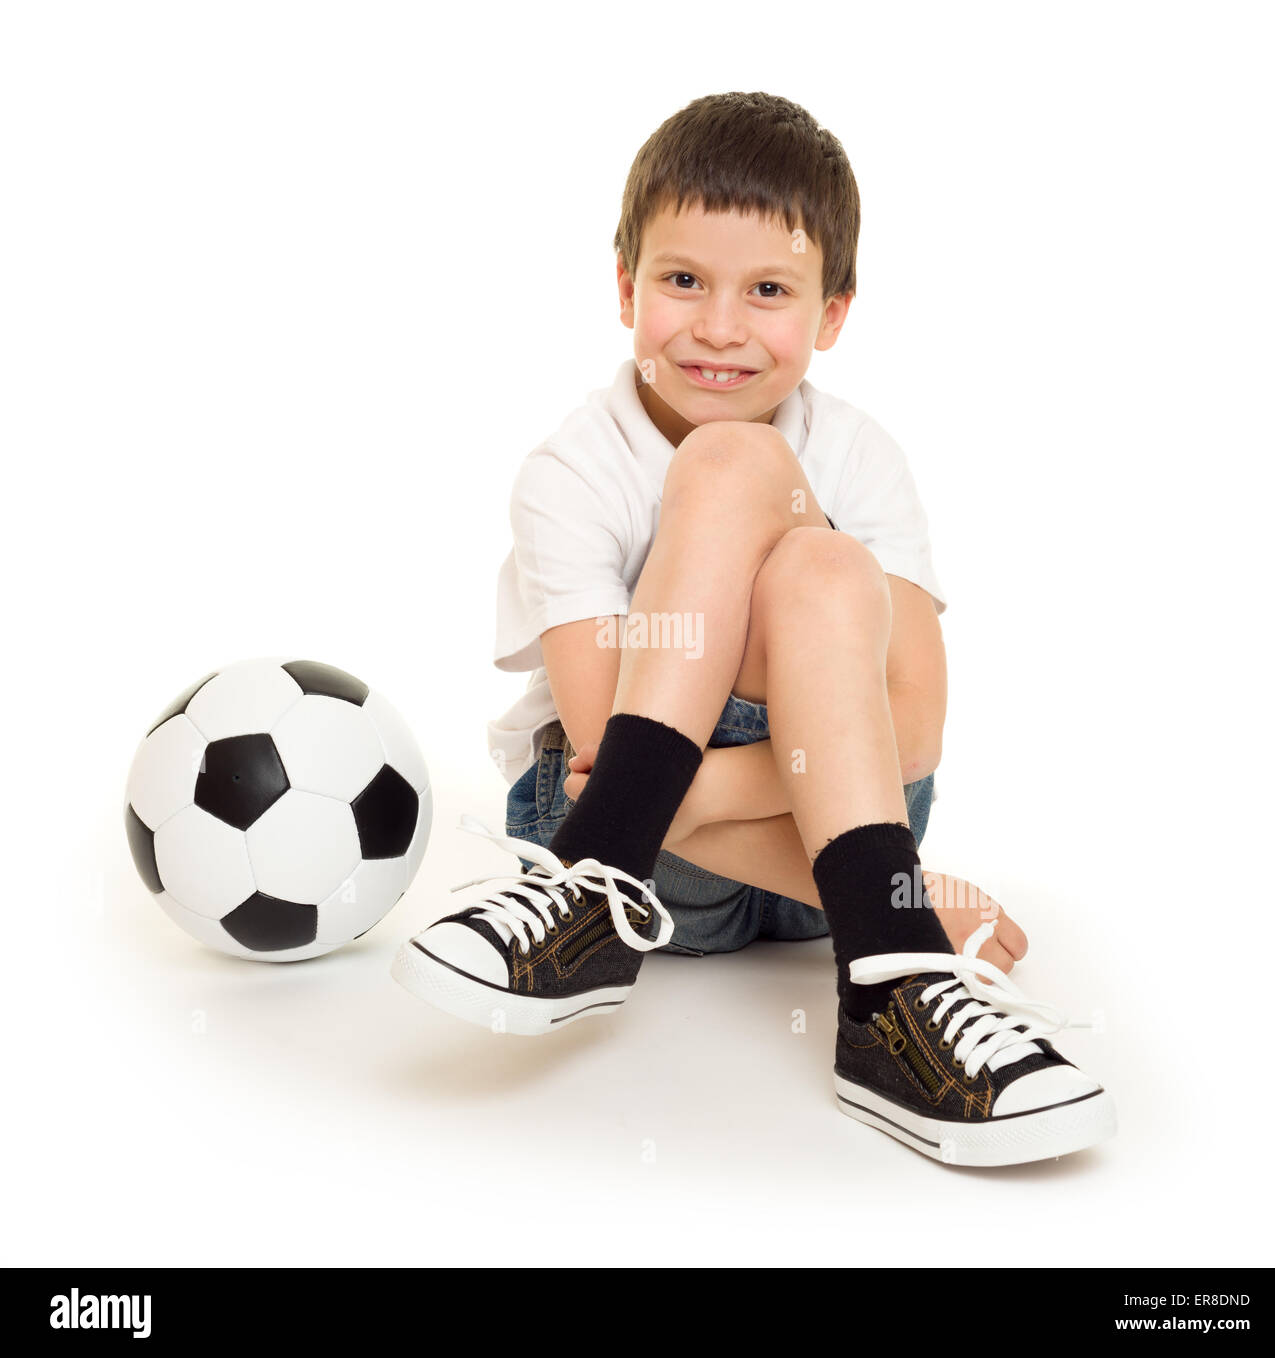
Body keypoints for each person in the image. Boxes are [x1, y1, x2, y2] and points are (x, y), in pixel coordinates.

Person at [390, 91, 1116, 1167]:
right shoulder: (573, 473)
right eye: (683, 281)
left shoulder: (859, 454)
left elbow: (908, 734)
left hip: (680, 824)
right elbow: (597, 729)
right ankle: (894, 957)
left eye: (768, 291)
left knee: (816, 556)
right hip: (716, 861)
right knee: (732, 464)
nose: (720, 326)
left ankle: (713, 913)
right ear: (626, 289)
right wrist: (902, 890)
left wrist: (650, 809)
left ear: (831, 313)